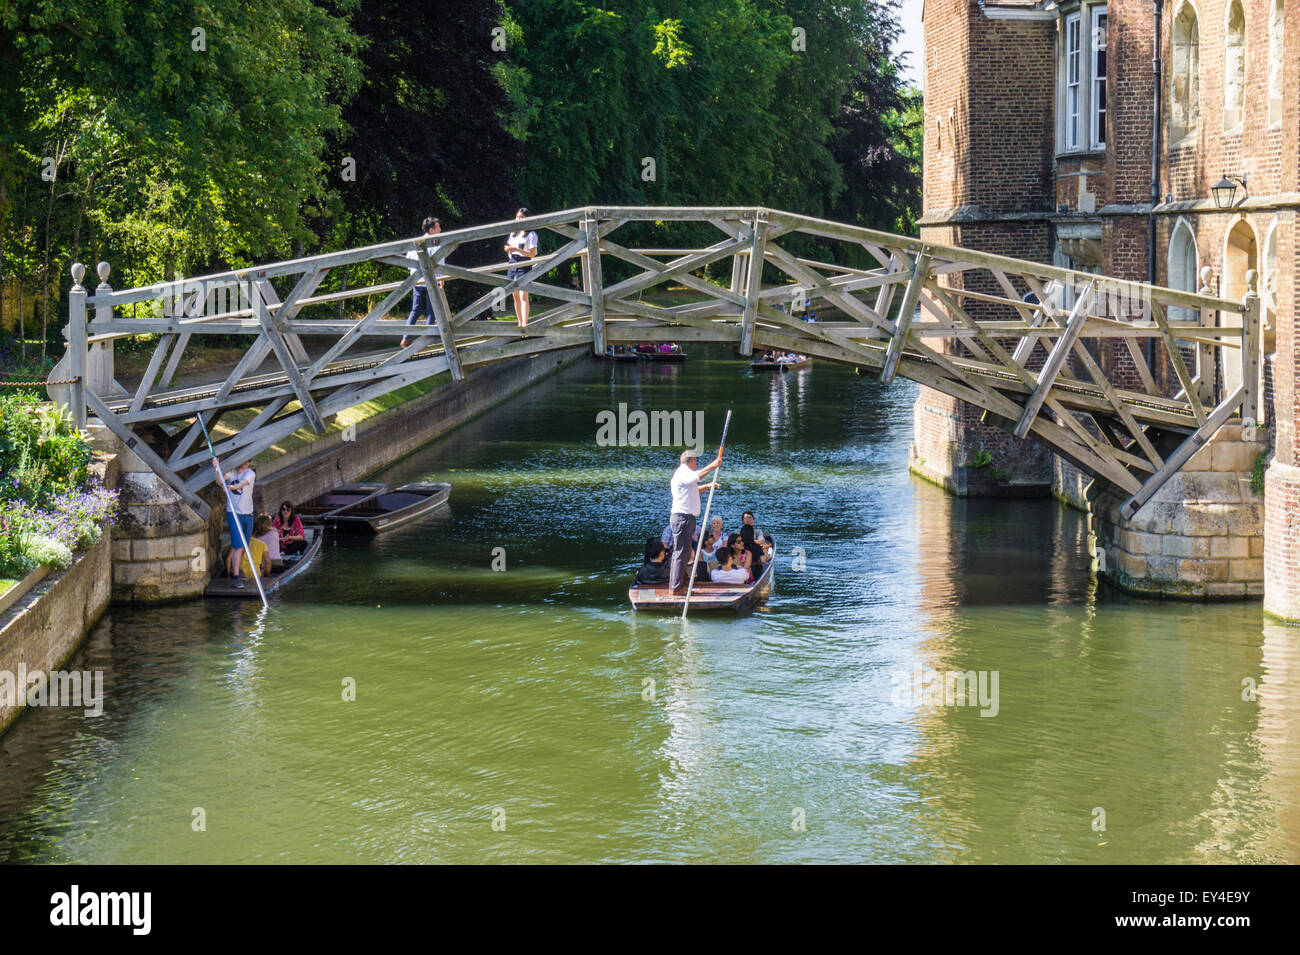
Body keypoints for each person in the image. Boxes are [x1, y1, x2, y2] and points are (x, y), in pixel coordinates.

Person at [668, 447, 723, 594]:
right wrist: (713, 464)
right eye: (696, 462)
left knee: (684, 553)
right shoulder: (684, 472)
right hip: (682, 518)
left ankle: (680, 585)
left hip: (685, 518)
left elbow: (694, 489)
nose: (696, 465)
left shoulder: (684, 475)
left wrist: (708, 485)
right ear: (691, 461)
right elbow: (697, 476)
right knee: (681, 553)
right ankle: (676, 588)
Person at [213, 457, 256, 588]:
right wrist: (216, 468)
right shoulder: (231, 473)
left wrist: (231, 487)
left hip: (248, 514)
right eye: (243, 460)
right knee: (238, 546)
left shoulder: (250, 473)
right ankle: (236, 577)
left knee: (244, 546)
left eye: (248, 461)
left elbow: (242, 484)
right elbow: (219, 480)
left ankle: (235, 569)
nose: (245, 463)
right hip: (234, 513)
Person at [401, 216, 443, 349]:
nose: (440, 229)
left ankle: (406, 337)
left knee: (416, 309)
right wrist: (441, 279)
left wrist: (415, 278)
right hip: (431, 281)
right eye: (438, 227)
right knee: (432, 311)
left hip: (418, 282)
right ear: (431, 230)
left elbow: (409, 263)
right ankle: (427, 339)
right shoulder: (435, 244)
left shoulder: (416, 243)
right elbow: (440, 264)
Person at [504, 208, 538, 326]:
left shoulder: (531, 234)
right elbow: (509, 246)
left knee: (524, 295)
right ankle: (519, 322)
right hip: (512, 263)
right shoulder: (514, 233)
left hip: (524, 263)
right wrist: (508, 249)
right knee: (515, 295)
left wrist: (517, 250)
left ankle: (525, 323)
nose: (518, 219)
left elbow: (532, 254)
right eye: (517, 217)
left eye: (521, 217)